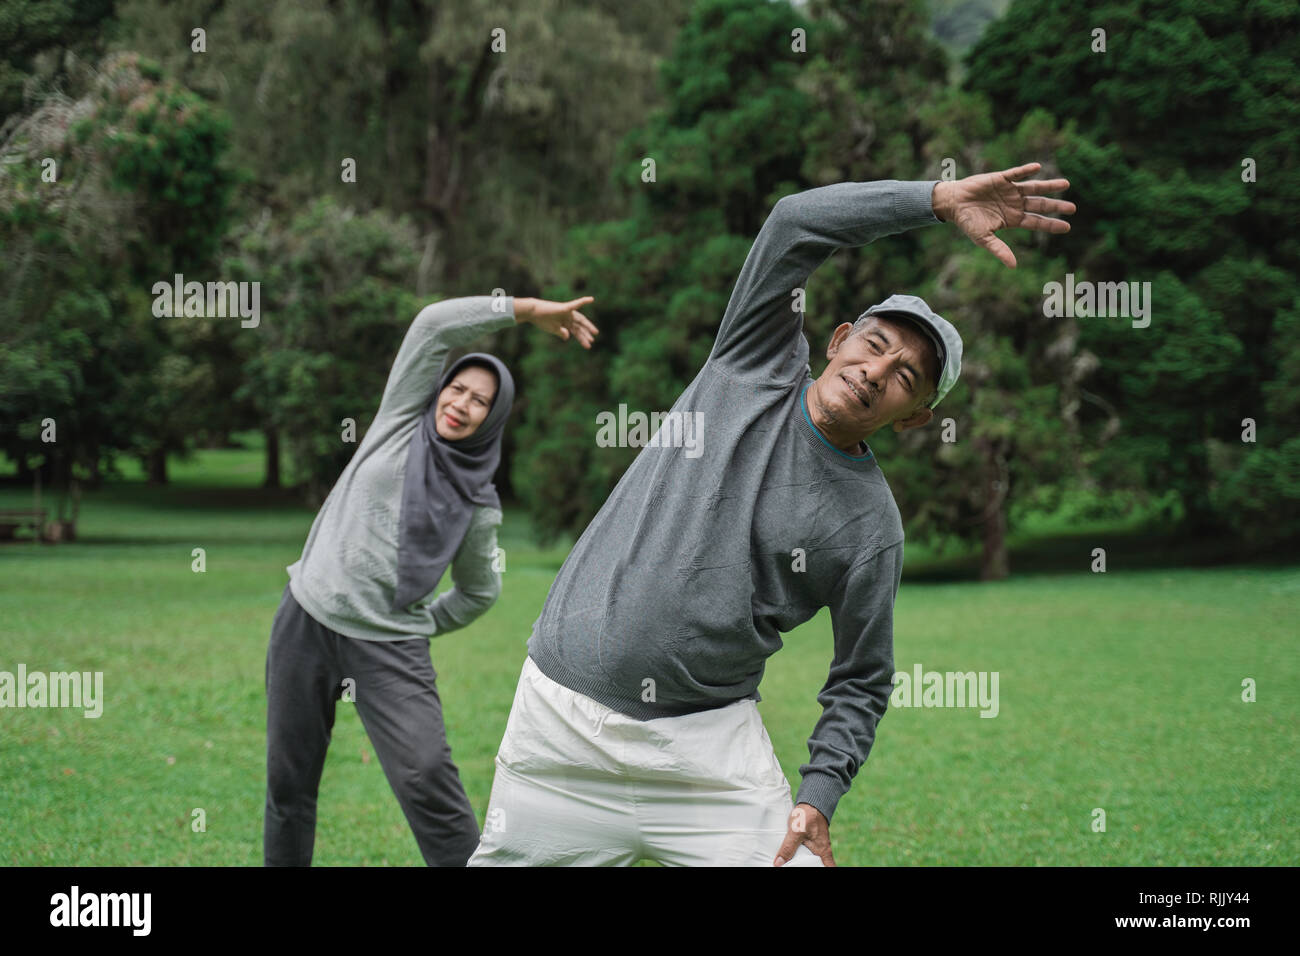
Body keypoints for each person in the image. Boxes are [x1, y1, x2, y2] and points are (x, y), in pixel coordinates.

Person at [468, 162, 1073, 867]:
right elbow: (795, 223)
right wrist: (935, 200)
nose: (877, 371)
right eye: (876, 345)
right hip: (558, 729)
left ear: (914, 420)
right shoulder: (750, 361)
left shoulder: (870, 529)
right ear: (838, 338)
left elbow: (862, 678)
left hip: (705, 754)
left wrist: (818, 793)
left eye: (906, 376)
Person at [263, 292, 598, 866]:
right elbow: (432, 325)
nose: (461, 404)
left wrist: (417, 621)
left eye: (480, 402)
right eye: (458, 389)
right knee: (289, 783)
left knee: (426, 777)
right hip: (307, 618)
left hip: (390, 645)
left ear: (492, 418)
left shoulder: (478, 501)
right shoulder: (397, 421)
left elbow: (479, 590)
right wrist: (524, 310)